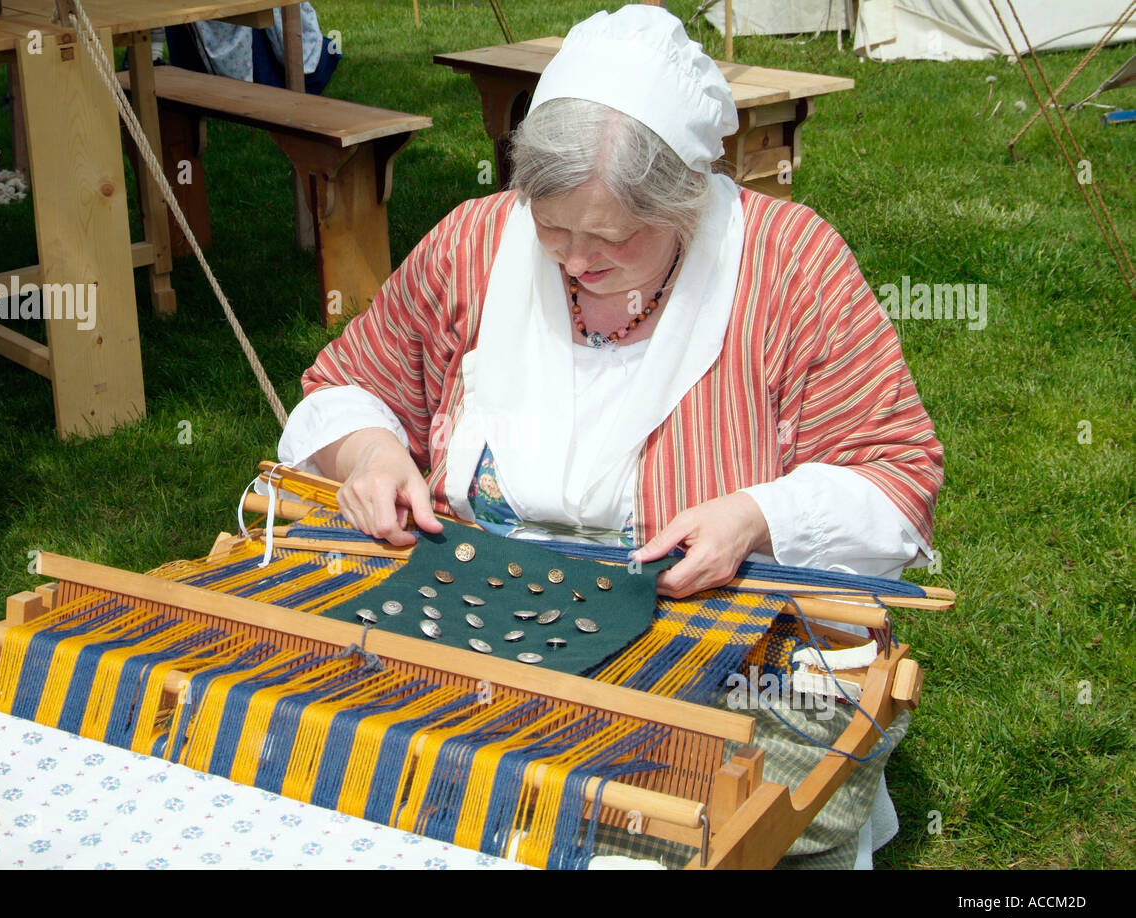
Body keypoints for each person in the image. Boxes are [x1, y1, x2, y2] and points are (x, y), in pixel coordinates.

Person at [277, 4, 943, 868]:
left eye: (614, 240)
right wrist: (369, 453)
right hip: (479, 622)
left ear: (687, 205)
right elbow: (348, 385)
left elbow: (897, 475)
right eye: (552, 227)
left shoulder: (790, 268)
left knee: (702, 809)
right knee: (307, 738)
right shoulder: (478, 244)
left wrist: (751, 516)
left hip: (697, 648)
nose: (576, 262)